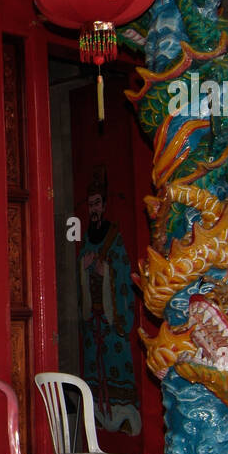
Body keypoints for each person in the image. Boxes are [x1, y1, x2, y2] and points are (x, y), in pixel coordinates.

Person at [78, 168, 141, 435]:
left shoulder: (113, 237)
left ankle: (124, 414)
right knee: (94, 365)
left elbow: (124, 269)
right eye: (90, 204)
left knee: (116, 362)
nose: (93, 209)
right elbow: (79, 271)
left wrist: (108, 273)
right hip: (93, 321)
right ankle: (99, 417)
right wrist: (84, 266)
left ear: (104, 206)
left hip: (110, 319)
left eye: (97, 203)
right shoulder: (86, 238)